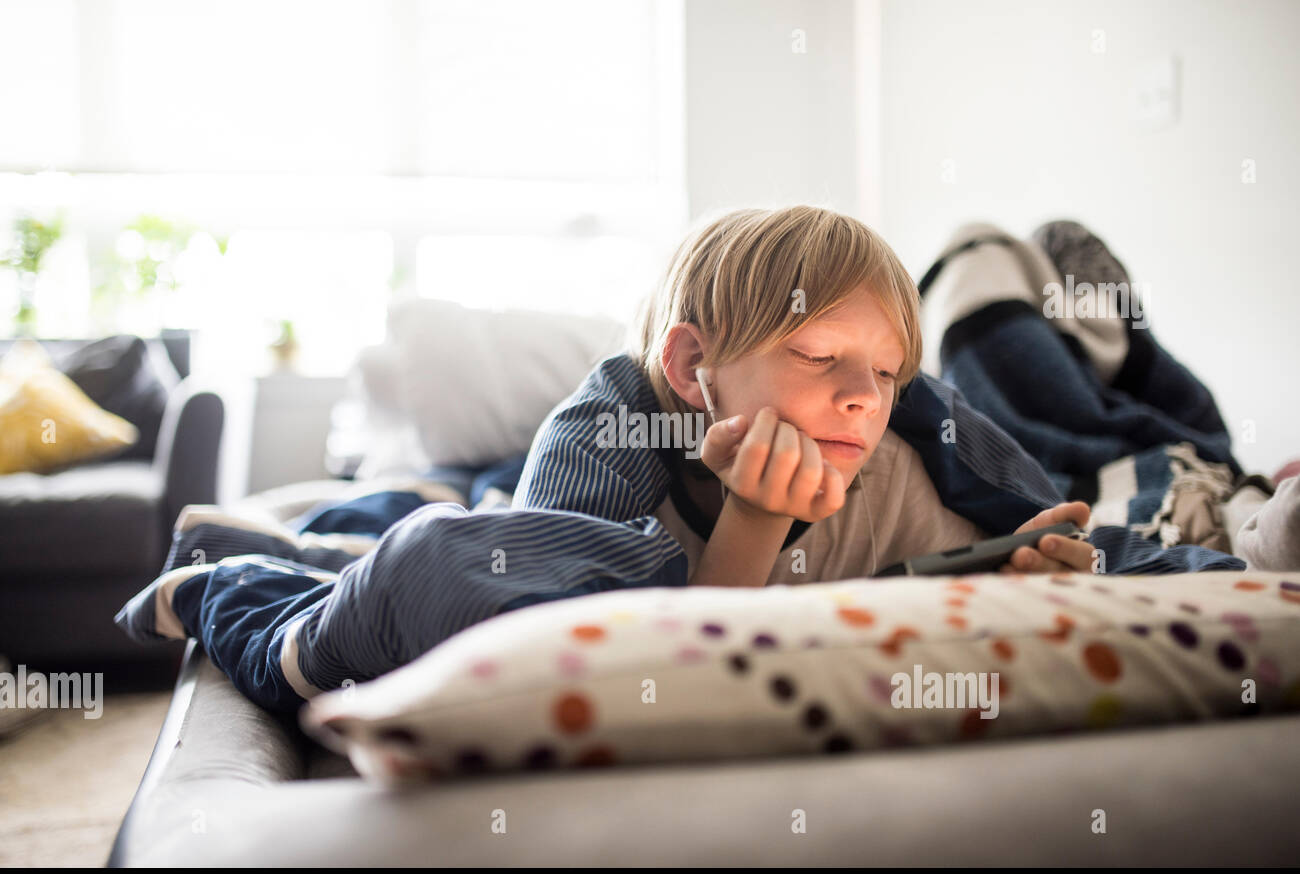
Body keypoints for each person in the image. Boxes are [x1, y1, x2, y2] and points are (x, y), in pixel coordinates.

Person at [116, 205, 1240, 713]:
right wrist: (750, 524)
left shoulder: (902, 425)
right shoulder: (614, 414)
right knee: (437, 537)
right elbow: (597, 616)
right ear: (695, 364)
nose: (861, 393)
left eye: (885, 372)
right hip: (542, 495)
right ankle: (281, 552)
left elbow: (1049, 520)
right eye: (816, 355)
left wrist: (1043, 556)